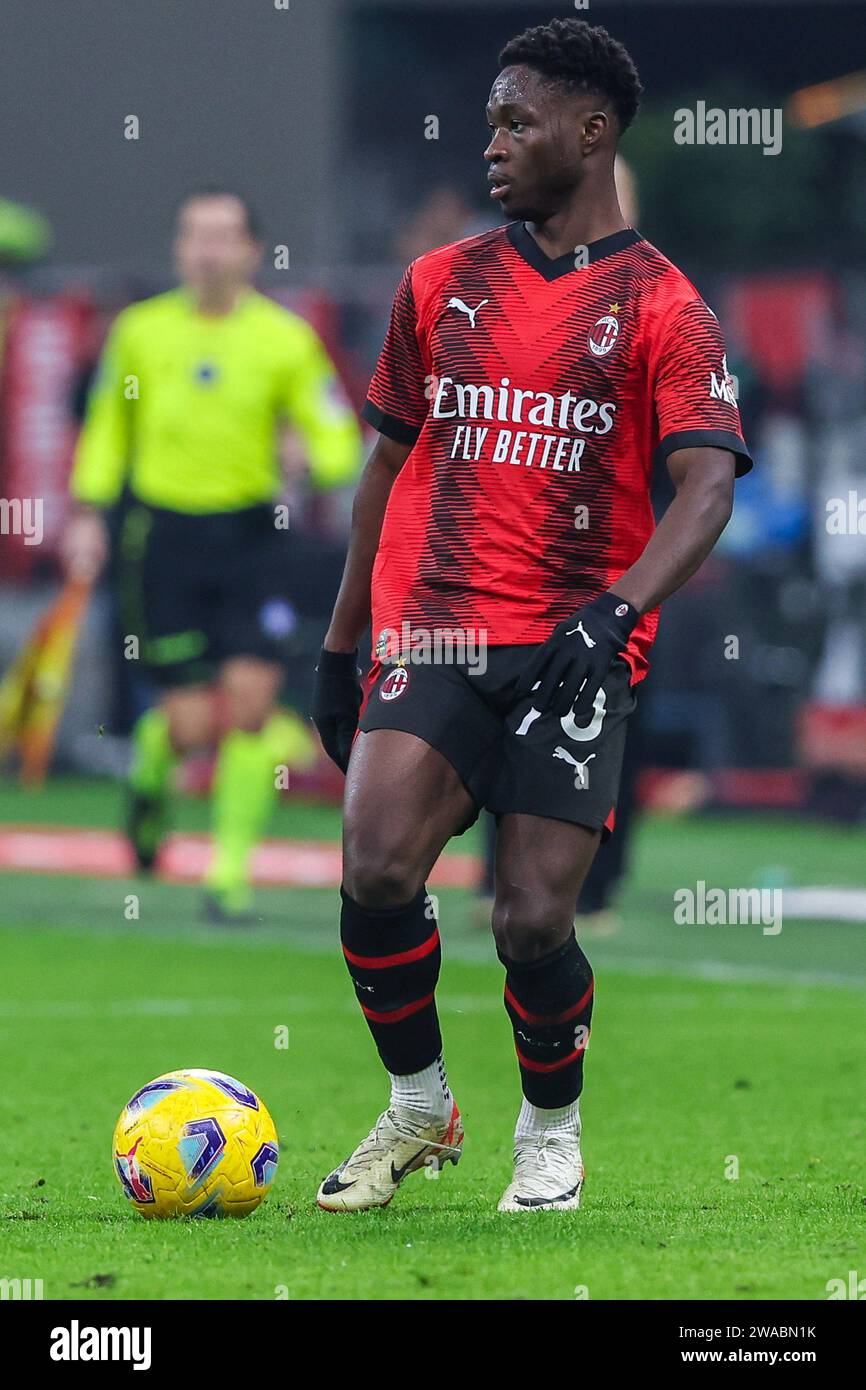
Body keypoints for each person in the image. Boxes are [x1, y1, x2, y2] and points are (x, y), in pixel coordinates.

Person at [311, 17, 751, 1213]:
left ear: (590, 131)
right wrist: (340, 647)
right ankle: (416, 1108)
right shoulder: (436, 286)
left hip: (573, 648)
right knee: (375, 863)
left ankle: (547, 1133)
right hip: (438, 626)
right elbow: (382, 471)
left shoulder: (665, 308)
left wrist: (614, 614)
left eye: (517, 122)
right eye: (490, 121)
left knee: (529, 916)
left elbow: (704, 491)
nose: (492, 144)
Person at [64, 187, 361, 920]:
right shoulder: (140, 332)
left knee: (253, 710)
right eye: (195, 234)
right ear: (178, 247)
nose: (207, 249)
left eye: (224, 236)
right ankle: (152, 770)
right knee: (194, 725)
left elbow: (337, 438)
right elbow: (108, 425)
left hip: (252, 541)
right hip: (162, 538)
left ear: (253, 251)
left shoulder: (285, 339)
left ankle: (229, 877)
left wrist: (311, 459)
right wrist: (86, 513)